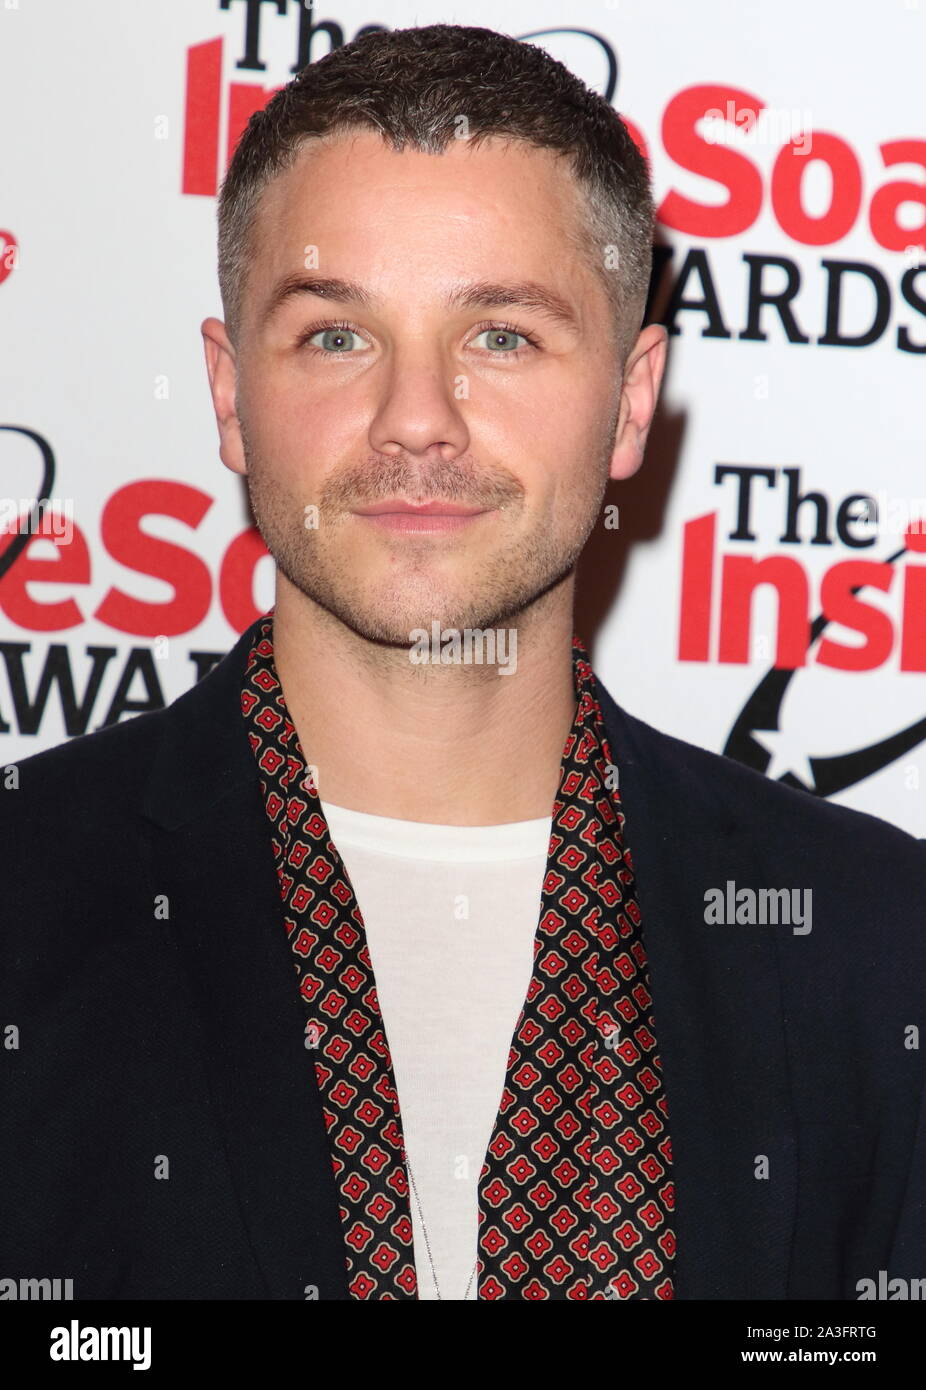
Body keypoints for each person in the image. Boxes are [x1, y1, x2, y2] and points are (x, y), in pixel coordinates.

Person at [2, 23, 924, 1303]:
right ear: (228, 396)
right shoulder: (25, 895)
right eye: (336, 335)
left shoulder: (874, 943)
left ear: (628, 396)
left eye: (501, 335)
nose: (416, 418)